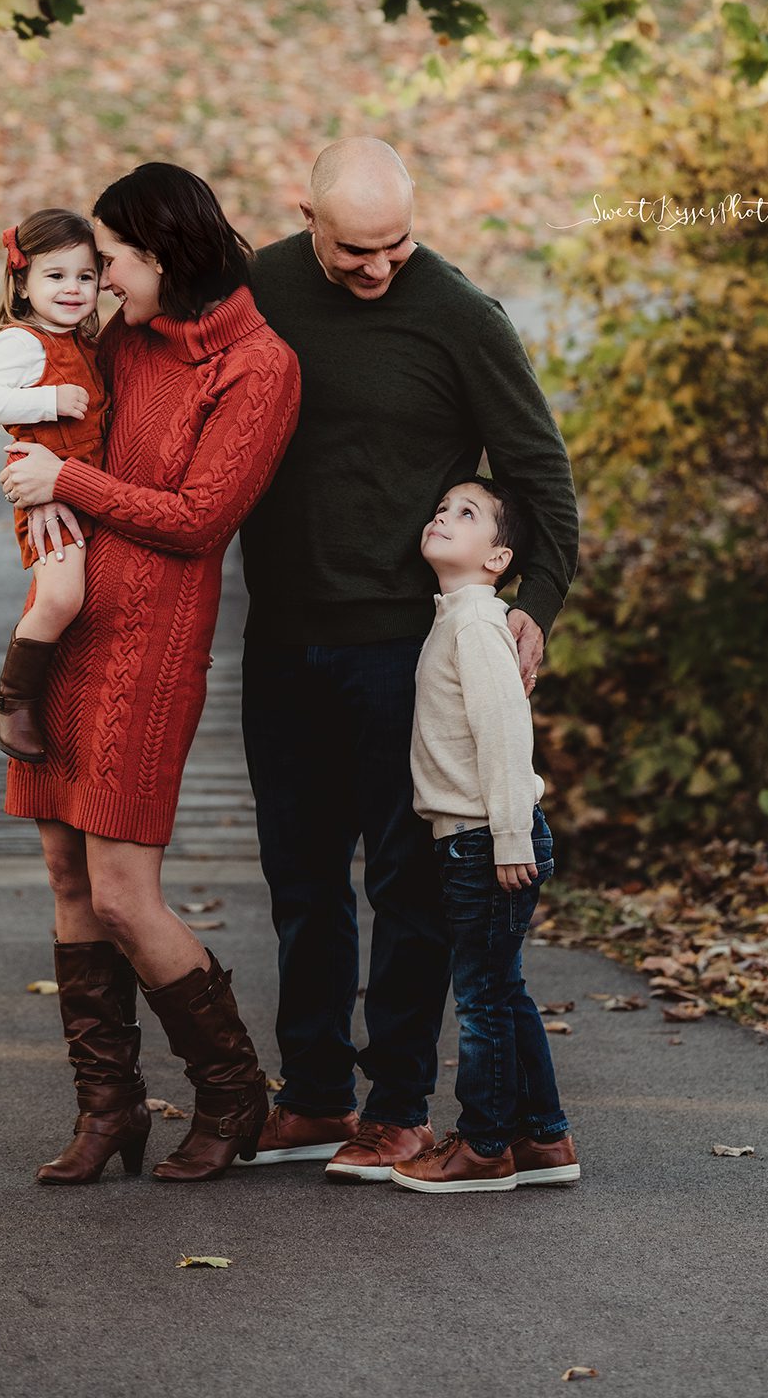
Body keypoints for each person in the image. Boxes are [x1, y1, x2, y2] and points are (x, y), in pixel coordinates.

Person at [240, 137, 579, 1181]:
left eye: (395, 245)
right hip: (282, 636)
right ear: (307, 217)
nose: (377, 267)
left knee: (405, 884)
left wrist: (538, 603)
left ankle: (394, 1107)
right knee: (299, 879)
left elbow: (537, 466)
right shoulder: (260, 287)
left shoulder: (460, 316)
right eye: (354, 250)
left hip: (398, 645)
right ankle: (310, 1096)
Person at [0, 163, 301, 1187]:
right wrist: (32, 475)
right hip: (71, 626)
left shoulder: (259, 367)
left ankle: (231, 1093)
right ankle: (108, 1106)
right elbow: (48, 415)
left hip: (150, 648)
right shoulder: (123, 339)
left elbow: (201, 518)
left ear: (163, 254)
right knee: (66, 876)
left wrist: (67, 479)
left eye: (116, 259)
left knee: (126, 894)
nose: (104, 278)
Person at [390, 476, 578, 1194]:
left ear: (496, 558)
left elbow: (505, 736)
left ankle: (487, 1145)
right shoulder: (456, 616)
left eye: (464, 514)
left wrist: (507, 840)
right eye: (439, 507)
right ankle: (545, 1137)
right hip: (474, 834)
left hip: (485, 837)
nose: (441, 517)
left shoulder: (475, 622)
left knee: (481, 998)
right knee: (502, 988)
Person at [0, 209, 108, 764]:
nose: (73, 288)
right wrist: (47, 401)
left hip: (79, 486)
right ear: (21, 283)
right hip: (51, 497)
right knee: (61, 595)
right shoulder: (23, 342)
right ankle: (12, 700)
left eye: (86, 276)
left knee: (79, 597)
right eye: (56, 276)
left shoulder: (79, 342)